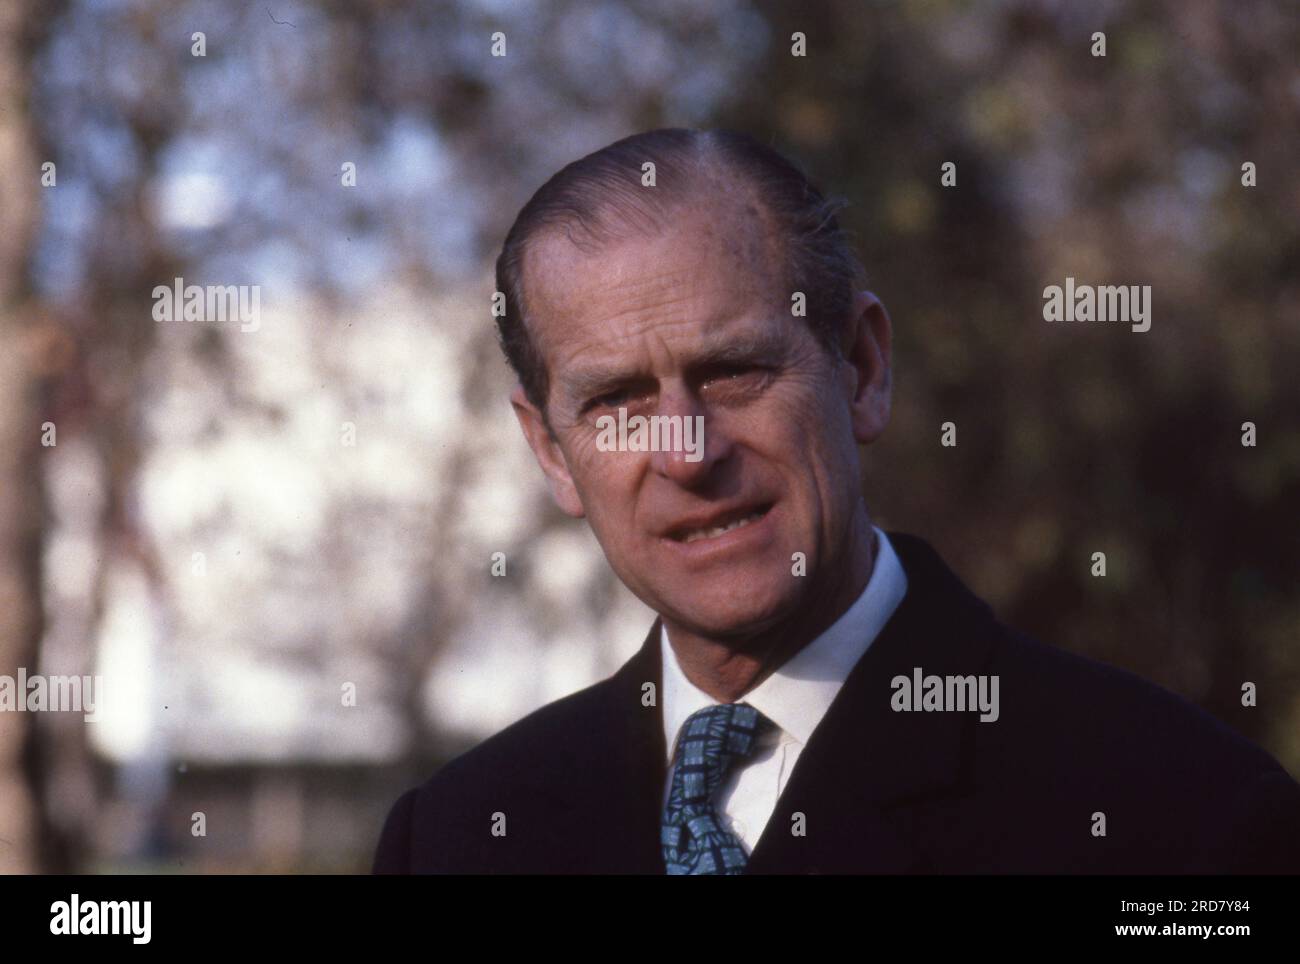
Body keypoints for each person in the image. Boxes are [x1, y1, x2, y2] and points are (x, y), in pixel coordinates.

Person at [373, 128, 1300, 874]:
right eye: (617, 402)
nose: (686, 454)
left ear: (860, 368)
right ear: (552, 452)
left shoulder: (1182, 820)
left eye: (734, 371)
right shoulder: (458, 839)